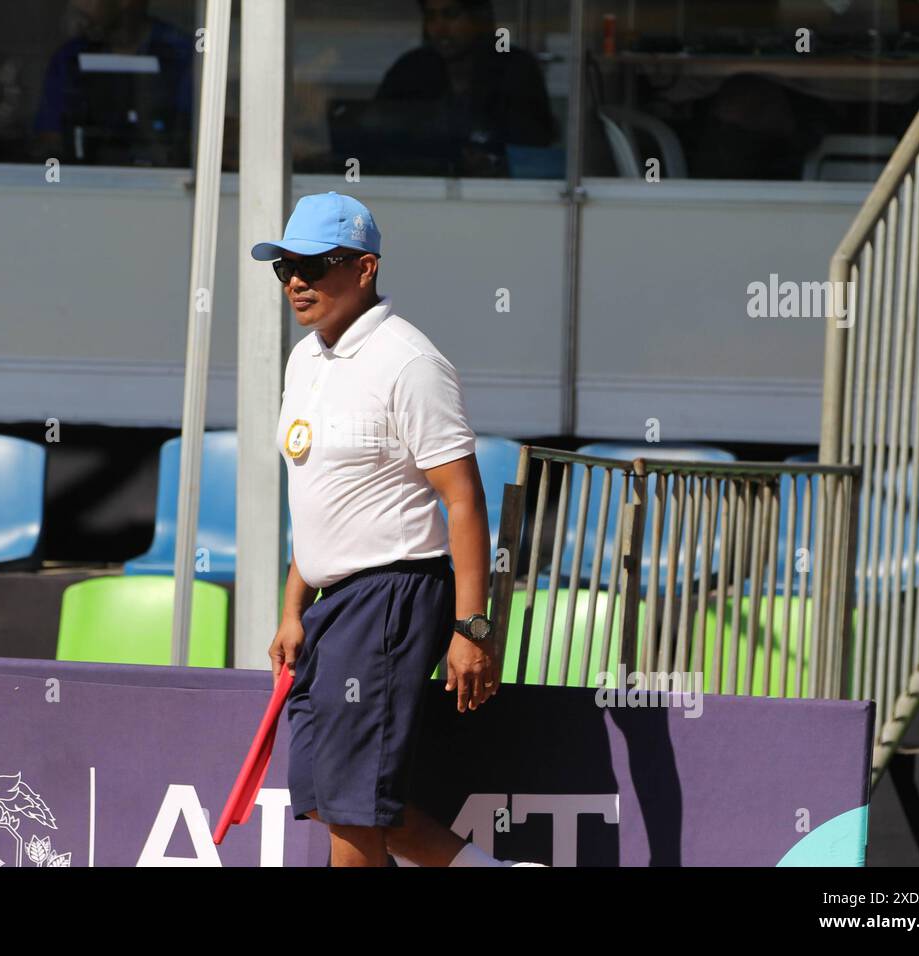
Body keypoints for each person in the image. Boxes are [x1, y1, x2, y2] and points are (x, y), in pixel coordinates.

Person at [256, 192, 542, 867]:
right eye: (284, 267)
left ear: (364, 268)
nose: (296, 280)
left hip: (391, 597)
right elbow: (325, 498)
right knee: (335, 797)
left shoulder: (410, 361)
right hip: (332, 606)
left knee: (354, 811)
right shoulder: (305, 361)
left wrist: (473, 630)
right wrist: (294, 605)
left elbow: (464, 502)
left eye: (314, 265)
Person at [369, 0, 557, 176]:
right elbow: (376, 137)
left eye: (450, 15)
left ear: (479, 18)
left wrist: (495, 163)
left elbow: (535, 149)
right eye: (431, 17)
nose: (440, 28)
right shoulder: (410, 69)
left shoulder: (515, 68)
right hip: (421, 190)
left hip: (503, 197)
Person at [33, 0, 192, 167]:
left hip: (165, 185)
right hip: (85, 184)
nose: (77, 5)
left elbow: (202, 142)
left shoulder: (181, 55)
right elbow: (49, 140)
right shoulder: (69, 58)